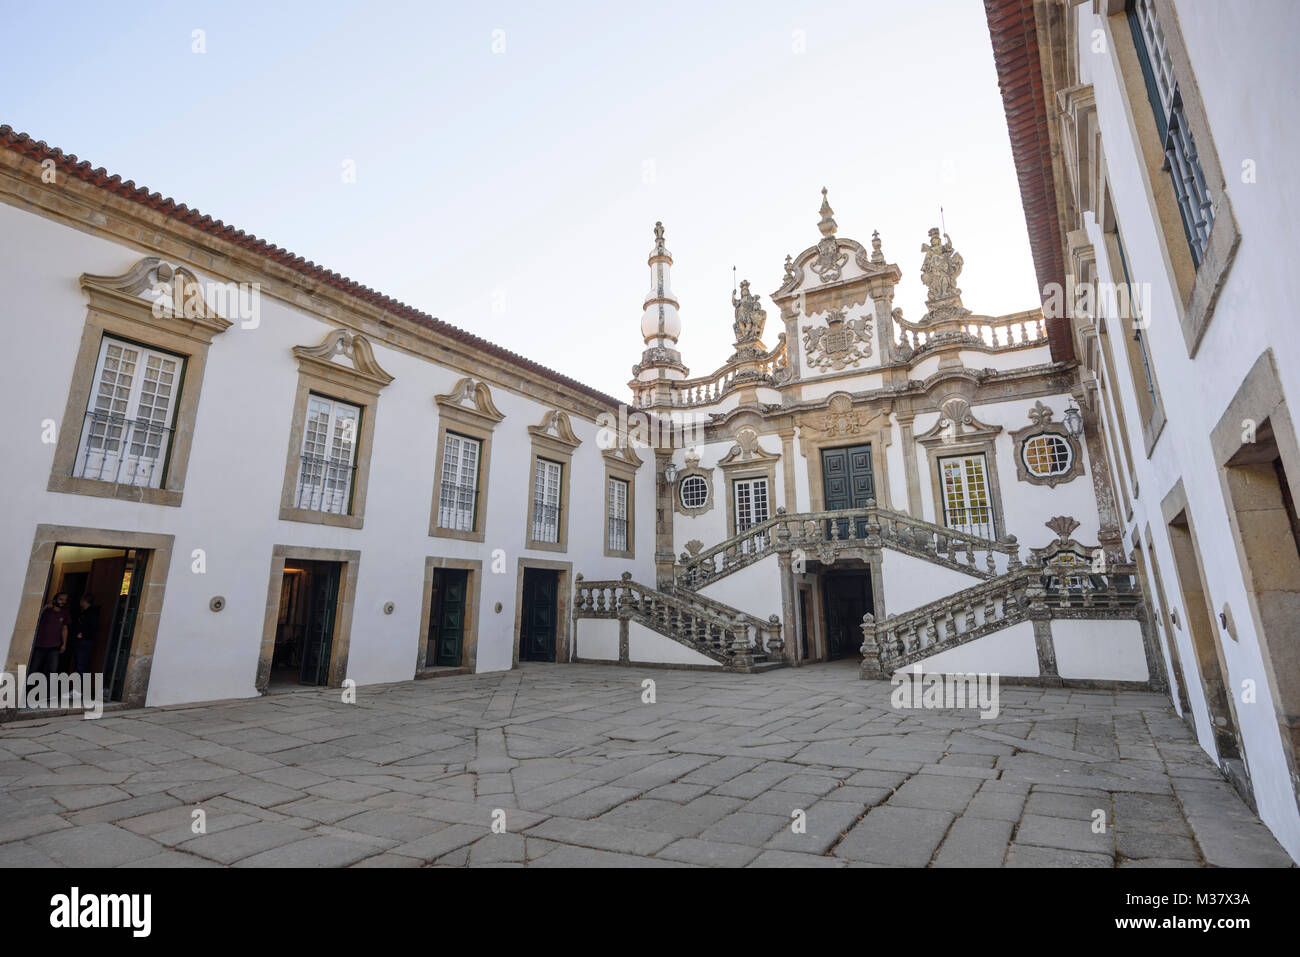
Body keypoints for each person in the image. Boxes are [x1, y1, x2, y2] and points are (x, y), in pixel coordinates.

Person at [31, 592, 70, 680]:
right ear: (55, 599)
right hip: (40, 644)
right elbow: (34, 619)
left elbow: (65, 629)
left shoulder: (65, 613)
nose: (63, 602)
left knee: (52, 671)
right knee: (34, 668)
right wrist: (45, 607)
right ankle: (27, 689)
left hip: (55, 646)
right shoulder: (47, 610)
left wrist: (64, 644)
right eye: (61, 599)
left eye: (65, 600)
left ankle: (48, 692)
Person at [71, 594, 100, 682]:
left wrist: (83, 634)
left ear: (84, 601)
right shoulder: (85, 612)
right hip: (83, 641)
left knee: (81, 665)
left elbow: (93, 627)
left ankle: (79, 690)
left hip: (85, 641)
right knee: (80, 664)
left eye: (81, 600)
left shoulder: (91, 613)